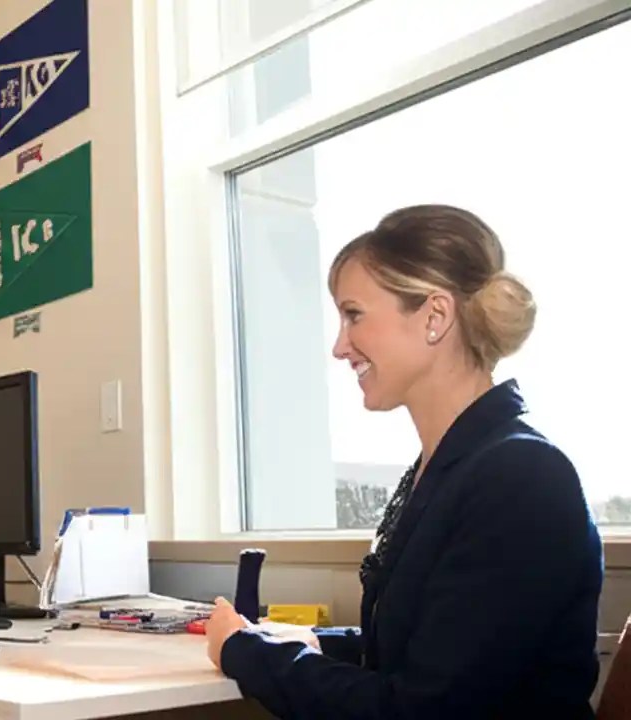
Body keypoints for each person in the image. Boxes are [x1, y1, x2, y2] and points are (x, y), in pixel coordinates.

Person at [205, 205, 605, 719]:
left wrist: (245, 652)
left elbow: (419, 710)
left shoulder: (521, 477)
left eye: (354, 315)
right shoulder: (446, 469)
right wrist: (303, 640)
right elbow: (428, 653)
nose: (339, 346)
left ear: (435, 317)